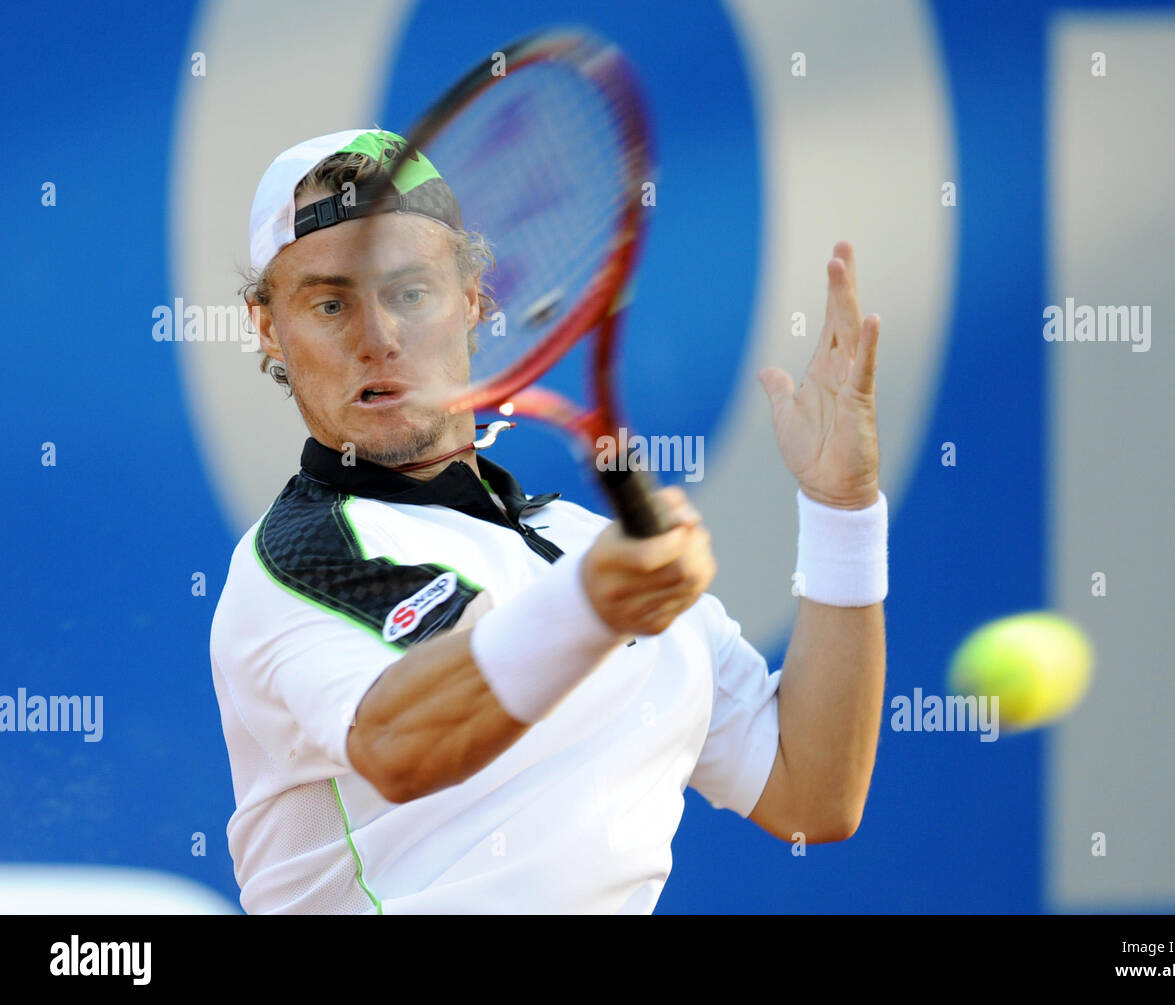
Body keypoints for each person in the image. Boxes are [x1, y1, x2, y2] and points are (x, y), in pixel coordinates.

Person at [210, 128, 888, 914]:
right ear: (268, 329)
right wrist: (593, 607)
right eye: (331, 302)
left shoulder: (586, 547)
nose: (379, 338)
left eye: (410, 293)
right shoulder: (295, 558)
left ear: (471, 300)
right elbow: (397, 741)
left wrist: (843, 510)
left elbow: (811, 791)